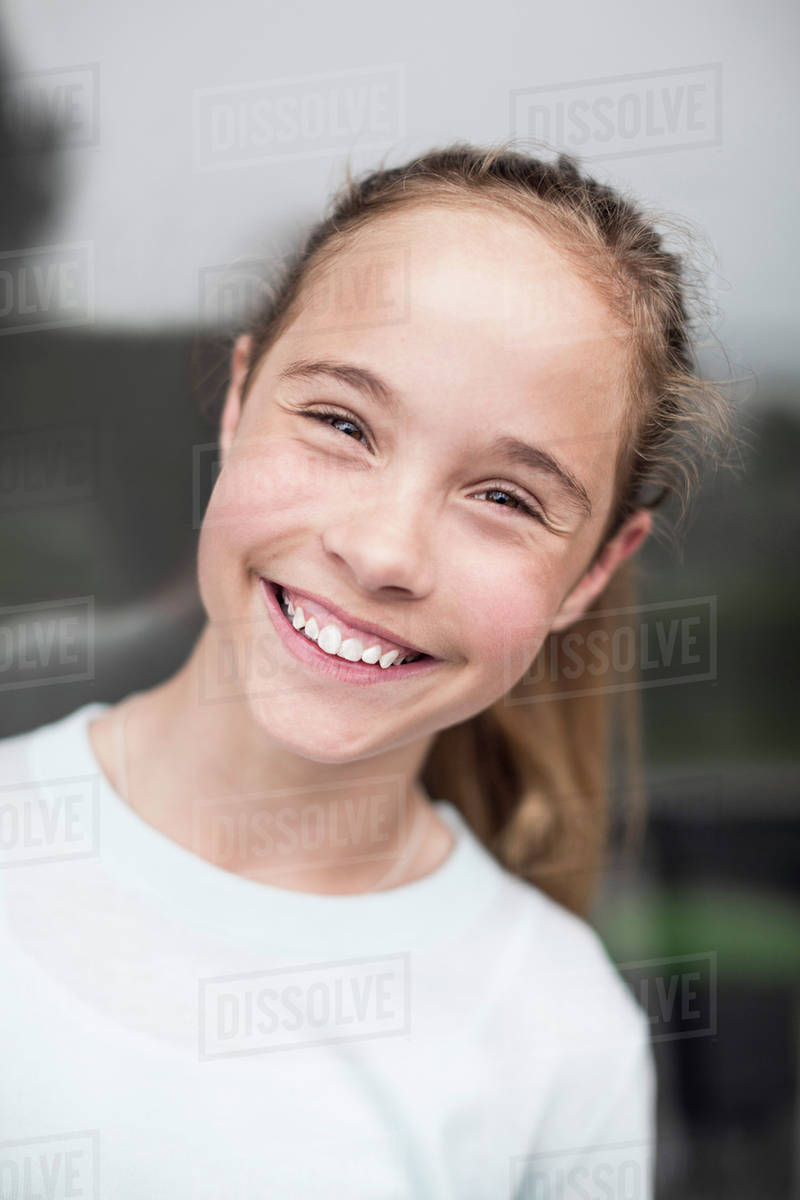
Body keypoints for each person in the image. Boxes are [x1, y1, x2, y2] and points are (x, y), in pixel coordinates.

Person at [0, 142, 732, 1197]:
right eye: (341, 424)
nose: (384, 553)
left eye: (505, 498)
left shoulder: (561, 1043)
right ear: (238, 399)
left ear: (591, 573)